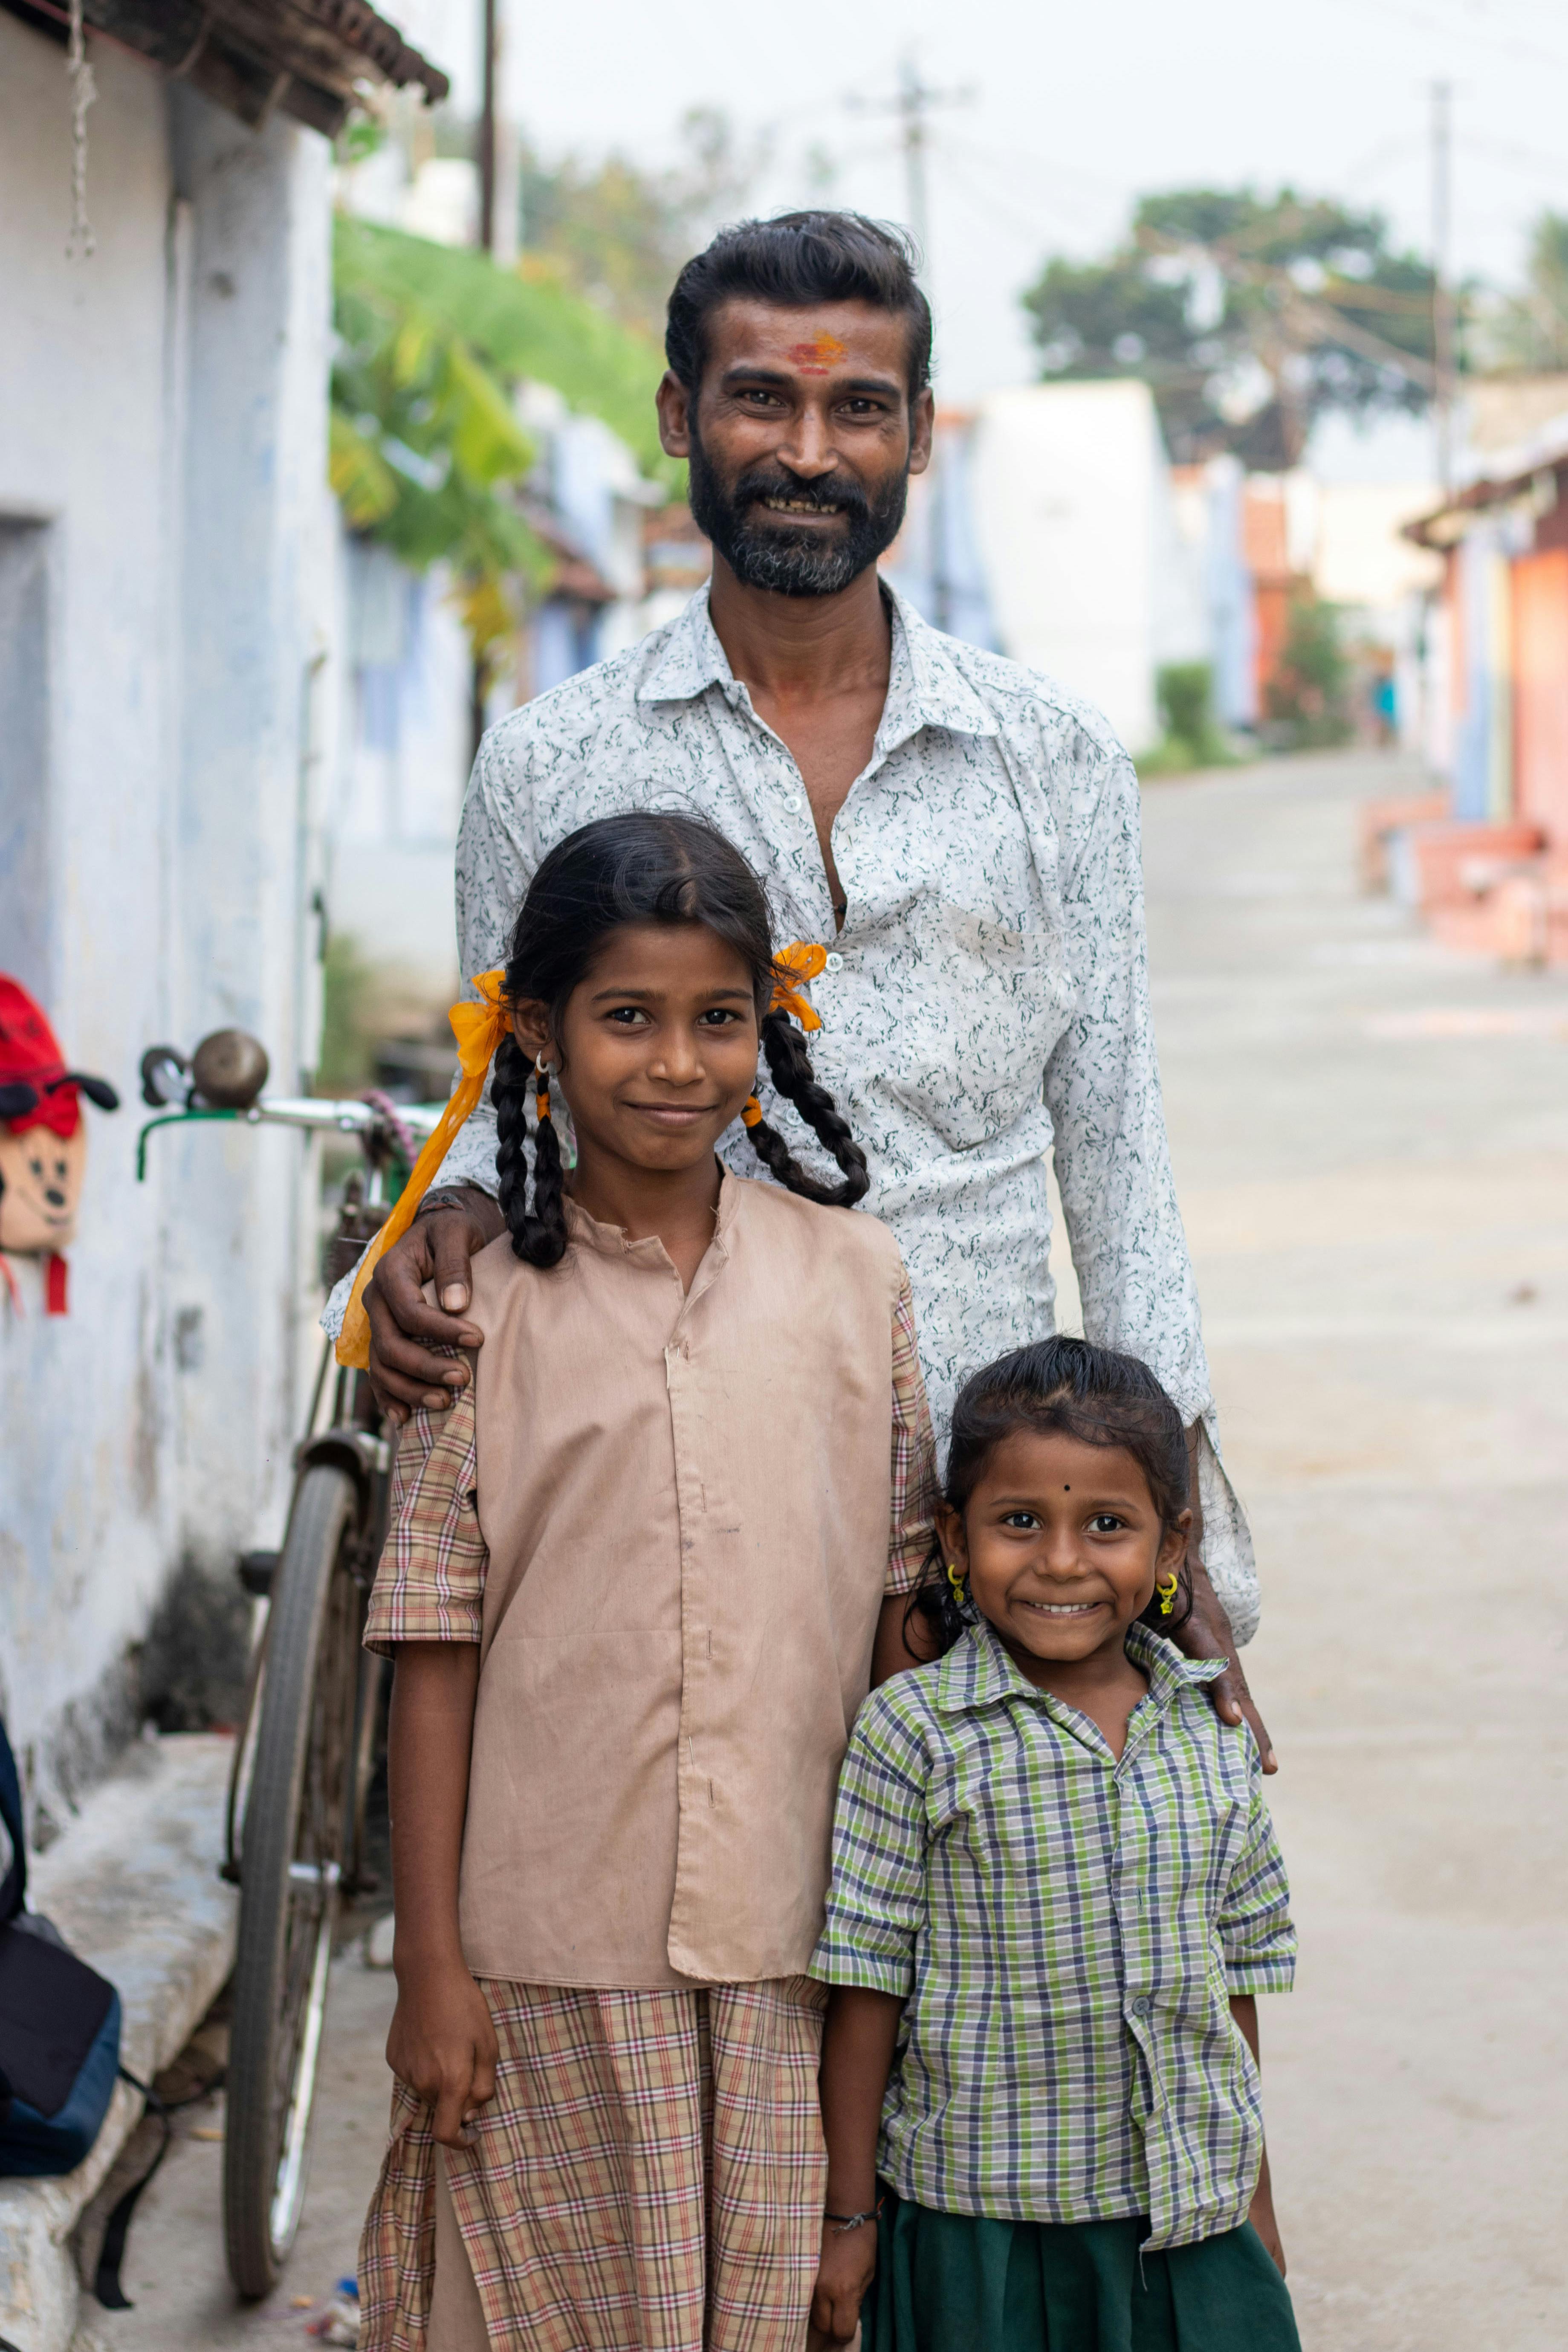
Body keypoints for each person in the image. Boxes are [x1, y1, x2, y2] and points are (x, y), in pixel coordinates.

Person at [335, 206, 1274, 1764]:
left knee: (990, 1970)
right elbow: (517, 1119)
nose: (807, 450)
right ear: (677, 418)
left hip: (998, 1506)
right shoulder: (553, 763)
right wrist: (432, 1237)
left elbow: (1116, 1157)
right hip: (666, 1492)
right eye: (760, 396)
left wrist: (1182, 1552)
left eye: (858, 407)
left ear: (916, 438)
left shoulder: (1049, 764)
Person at [356, 811, 941, 2352]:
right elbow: (429, 1639)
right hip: (541, 1941)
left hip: (792, 1934)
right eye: (627, 1016)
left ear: (769, 1026)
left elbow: (898, 1618)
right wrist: (429, 1962)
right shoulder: (466, 1306)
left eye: (716, 1017)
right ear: (538, 1030)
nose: (676, 1061)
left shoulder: (853, 1278)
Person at [808, 1336, 1299, 2352]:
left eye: (1108, 1524)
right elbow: (865, 1987)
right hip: (983, 2225)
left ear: (1172, 1549)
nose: (1063, 1560)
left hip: (1186, 2219)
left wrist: (1254, 2200)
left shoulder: (1209, 1737)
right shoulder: (915, 1733)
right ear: (954, 1537)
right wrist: (848, 2217)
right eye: (1019, 1521)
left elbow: (1234, 1985)